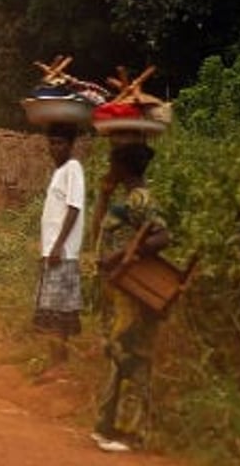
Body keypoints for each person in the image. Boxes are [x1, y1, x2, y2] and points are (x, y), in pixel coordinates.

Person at [91, 142, 171, 453]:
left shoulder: (142, 199)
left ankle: (129, 432)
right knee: (117, 352)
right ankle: (109, 428)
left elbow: (163, 235)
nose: (109, 166)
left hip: (132, 292)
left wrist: (124, 256)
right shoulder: (125, 199)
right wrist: (104, 193)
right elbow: (98, 229)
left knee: (129, 355)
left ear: (123, 166)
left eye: (113, 161)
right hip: (117, 291)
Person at [32, 123, 86, 372]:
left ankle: (59, 365)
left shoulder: (73, 168)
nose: (55, 148)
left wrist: (57, 247)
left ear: (71, 145)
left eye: (60, 143)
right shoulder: (59, 172)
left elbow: (73, 208)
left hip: (62, 254)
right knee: (53, 311)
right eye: (52, 143)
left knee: (58, 313)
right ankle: (56, 363)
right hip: (53, 252)